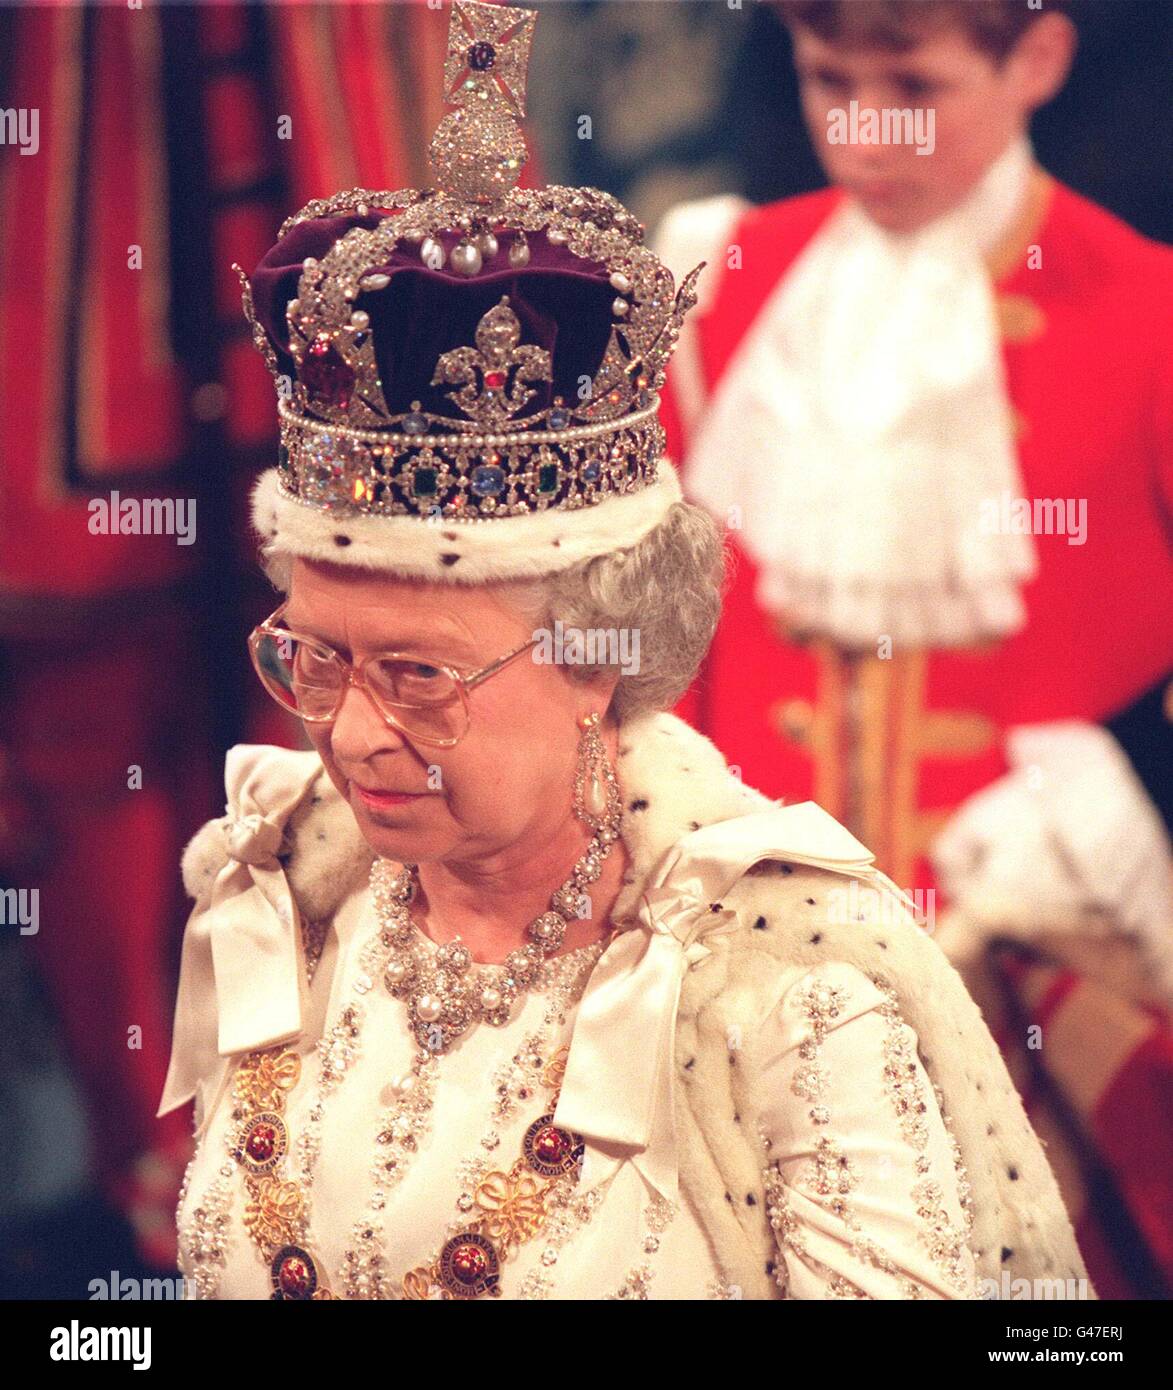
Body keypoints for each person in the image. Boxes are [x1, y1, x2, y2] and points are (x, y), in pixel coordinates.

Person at [156, 0, 1091, 1301]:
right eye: (315, 656)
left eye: (418, 672)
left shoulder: (784, 984)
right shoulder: (280, 892)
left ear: (599, 651)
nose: (351, 734)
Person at [652, 0, 1171, 1297]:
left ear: (1035, 60)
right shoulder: (726, 291)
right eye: (828, 81)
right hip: (755, 985)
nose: (862, 133)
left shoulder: (1148, 313)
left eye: (914, 87)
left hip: (1044, 984)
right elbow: (668, 638)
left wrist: (1116, 795)